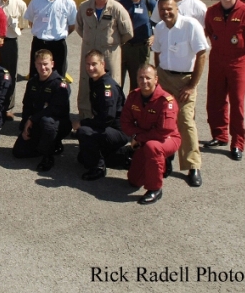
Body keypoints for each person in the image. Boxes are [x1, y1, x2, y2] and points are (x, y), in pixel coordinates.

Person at [203, 0, 245, 161]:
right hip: (217, 61)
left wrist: (244, 54)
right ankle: (219, 135)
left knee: (237, 103)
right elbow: (210, 31)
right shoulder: (212, 12)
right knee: (215, 100)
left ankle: (237, 142)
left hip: (237, 63)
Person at [152, 0, 209, 188]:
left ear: (177, 9)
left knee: (185, 120)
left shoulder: (191, 25)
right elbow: (157, 52)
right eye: (162, 10)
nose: (166, 13)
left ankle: (193, 166)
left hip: (185, 79)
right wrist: (158, 76)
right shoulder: (159, 28)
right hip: (165, 77)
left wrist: (192, 85)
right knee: (164, 120)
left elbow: (202, 54)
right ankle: (166, 158)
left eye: (169, 9)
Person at [121, 64, 181, 205]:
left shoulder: (167, 101)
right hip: (145, 138)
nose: (144, 81)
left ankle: (155, 189)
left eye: (148, 78)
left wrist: (138, 138)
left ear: (156, 79)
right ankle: (162, 163)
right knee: (134, 181)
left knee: (152, 147)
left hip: (167, 139)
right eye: (141, 78)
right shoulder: (134, 96)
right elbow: (125, 122)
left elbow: (164, 131)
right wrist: (137, 135)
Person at [74, 0, 133, 118]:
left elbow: (128, 33)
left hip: (109, 54)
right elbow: (79, 28)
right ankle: (85, 118)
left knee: (110, 86)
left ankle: (109, 119)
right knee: (86, 85)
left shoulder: (117, 9)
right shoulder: (84, 7)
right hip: (89, 53)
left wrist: (112, 44)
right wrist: (91, 40)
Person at [74, 50, 131, 181]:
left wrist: (83, 123)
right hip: (108, 127)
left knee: (84, 132)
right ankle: (123, 155)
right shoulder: (96, 80)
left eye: (94, 64)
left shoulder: (107, 87)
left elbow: (106, 118)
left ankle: (98, 168)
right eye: (87, 64)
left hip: (119, 131)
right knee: (82, 157)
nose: (90, 68)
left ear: (102, 64)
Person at [12, 49, 72, 172]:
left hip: (57, 123)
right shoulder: (33, 82)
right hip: (37, 122)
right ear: (35, 65)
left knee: (47, 122)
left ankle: (48, 156)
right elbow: (27, 105)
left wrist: (32, 119)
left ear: (52, 64)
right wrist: (25, 126)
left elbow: (55, 109)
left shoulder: (60, 85)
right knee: (18, 152)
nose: (42, 67)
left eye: (45, 64)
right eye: (39, 64)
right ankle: (46, 145)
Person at [24, 0, 77, 79]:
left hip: (58, 45)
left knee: (58, 78)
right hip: (39, 44)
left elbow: (72, 25)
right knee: (36, 76)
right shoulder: (35, 2)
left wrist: (59, 34)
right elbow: (31, 22)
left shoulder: (68, 3)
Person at [0, 0, 27, 116]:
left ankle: (8, 107)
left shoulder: (20, 4)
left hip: (10, 42)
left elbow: (24, 24)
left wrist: (13, 30)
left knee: (10, 74)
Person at [118, 0, 158, 92]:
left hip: (141, 49)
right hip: (122, 48)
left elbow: (161, 24)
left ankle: (135, 108)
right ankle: (118, 108)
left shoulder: (150, 4)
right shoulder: (121, 4)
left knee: (139, 82)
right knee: (117, 80)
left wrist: (155, 36)